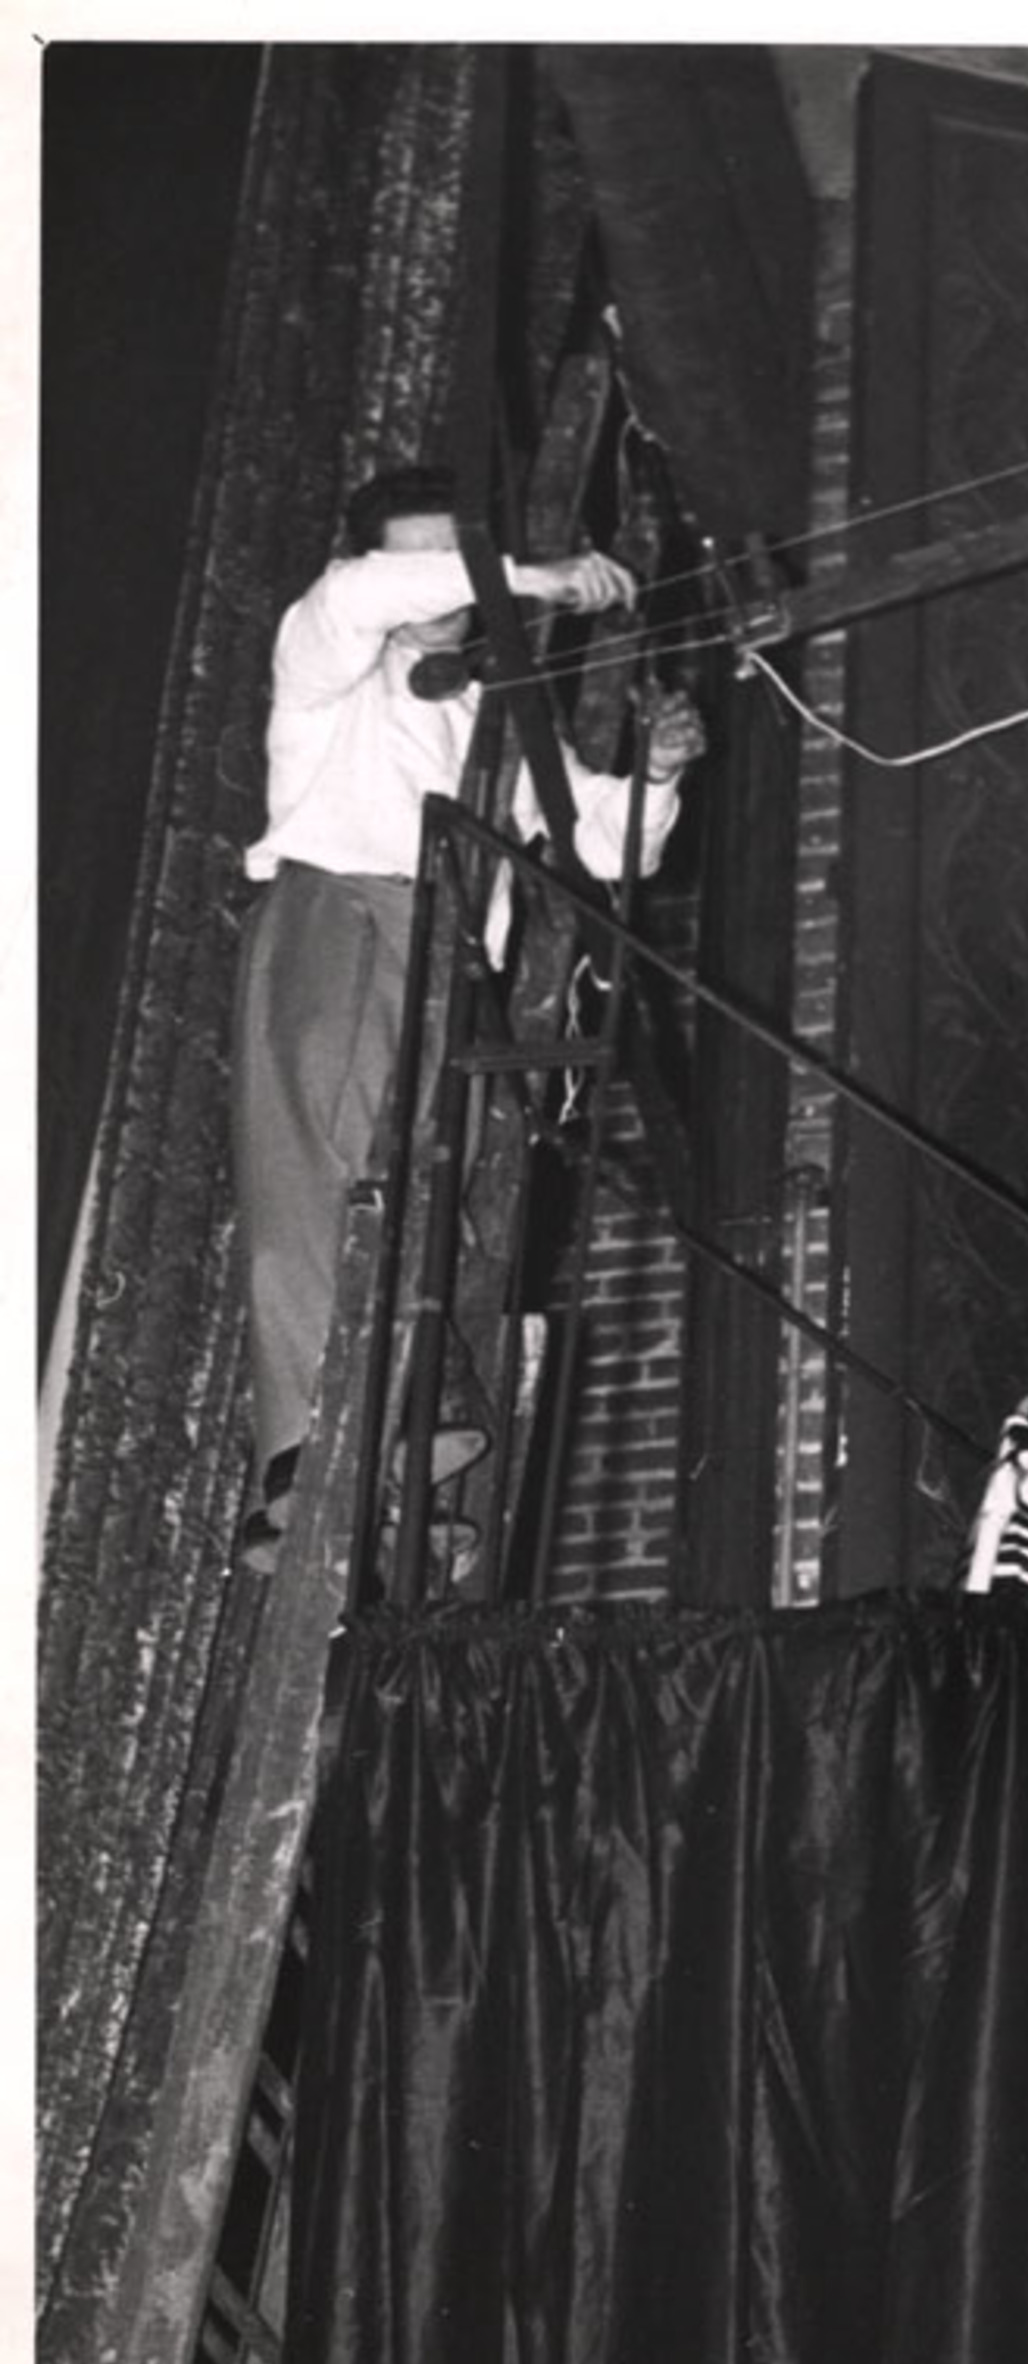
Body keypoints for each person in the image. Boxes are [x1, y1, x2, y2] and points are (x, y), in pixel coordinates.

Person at [230, 464, 703, 1569]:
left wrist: (662, 772)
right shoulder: (328, 670)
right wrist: (528, 575)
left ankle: (396, 1443)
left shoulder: (495, 714)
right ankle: (309, 1455)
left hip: (452, 961)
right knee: (328, 1171)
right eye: (425, 562)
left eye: (458, 560)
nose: (441, 588)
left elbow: (601, 842)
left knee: (445, 1186)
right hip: (344, 917)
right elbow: (356, 597)